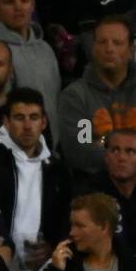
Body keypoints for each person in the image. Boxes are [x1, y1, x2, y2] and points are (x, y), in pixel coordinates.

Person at [0, 87, 72, 271]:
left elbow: (65, 218)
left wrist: (52, 246)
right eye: (19, 117)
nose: (27, 126)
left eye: (34, 117)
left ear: (44, 122)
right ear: (6, 122)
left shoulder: (57, 169)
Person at [57, 15, 136, 179]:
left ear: (131, 51)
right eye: (103, 42)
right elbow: (80, 150)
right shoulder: (76, 96)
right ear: (94, 48)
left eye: (117, 43)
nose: (109, 49)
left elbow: (93, 146)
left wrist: (102, 143)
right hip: (93, 191)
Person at [0, 0, 59, 131]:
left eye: (24, 0)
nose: (18, 7)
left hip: (48, 148)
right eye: (9, 2)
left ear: (33, 5)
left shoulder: (46, 49)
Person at [77, 128, 136, 250]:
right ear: (106, 156)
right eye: (115, 150)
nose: (122, 158)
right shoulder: (88, 194)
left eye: (130, 151)